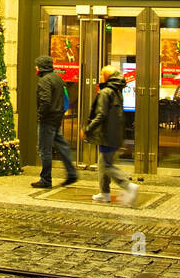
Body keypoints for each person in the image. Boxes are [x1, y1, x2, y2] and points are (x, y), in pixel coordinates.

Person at [84, 66, 138, 206]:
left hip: (106, 134)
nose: (100, 76)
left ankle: (128, 186)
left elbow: (101, 115)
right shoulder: (116, 91)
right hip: (114, 134)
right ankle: (104, 193)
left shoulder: (105, 92)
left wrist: (88, 129)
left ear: (107, 76)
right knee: (104, 163)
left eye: (102, 74)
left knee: (106, 165)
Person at [32, 55, 78, 189]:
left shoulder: (44, 81)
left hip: (47, 119)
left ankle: (45, 179)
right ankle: (71, 172)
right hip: (57, 117)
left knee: (44, 149)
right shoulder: (58, 78)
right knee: (62, 145)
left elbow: (45, 101)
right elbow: (65, 98)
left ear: (41, 67)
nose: (35, 68)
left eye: (37, 65)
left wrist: (41, 115)